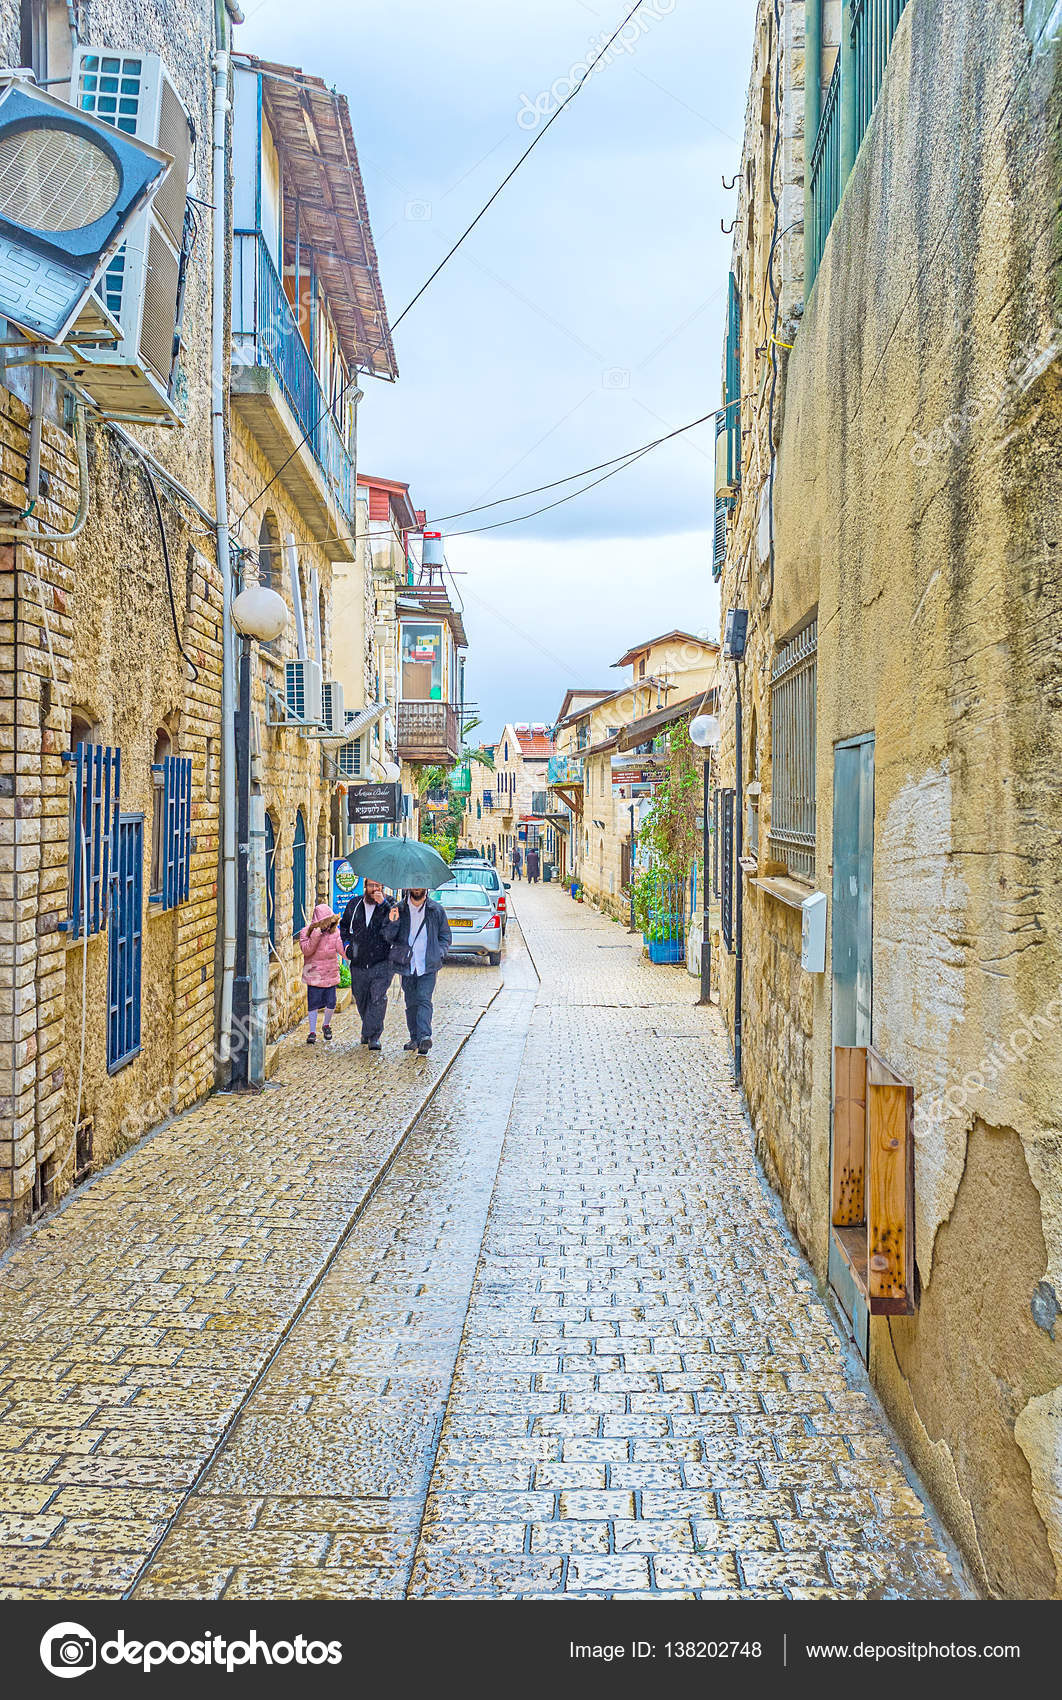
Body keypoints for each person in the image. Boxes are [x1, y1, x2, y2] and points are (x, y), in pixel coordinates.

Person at [339, 877, 400, 1050]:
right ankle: (367, 1029)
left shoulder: (391, 904)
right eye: (371, 886)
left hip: (383, 961)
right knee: (361, 997)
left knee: (378, 998)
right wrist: (347, 946)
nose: (375, 889)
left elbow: (397, 924)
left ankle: (374, 1036)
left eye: (378, 886)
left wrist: (384, 905)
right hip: (359, 961)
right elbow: (344, 928)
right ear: (365, 886)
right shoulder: (354, 904)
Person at [394, 886, 452, 1055]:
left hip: (428, 964)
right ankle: (414, 1038)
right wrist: (391, 921)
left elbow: (445, 936)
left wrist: (439, 953)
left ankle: (425, 1036)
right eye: (414, 884)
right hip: (407, 964)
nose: (417, 888)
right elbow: (390, 935)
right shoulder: (399, 909)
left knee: (424, 999)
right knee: (411, 1003)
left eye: (420, 884)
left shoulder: (436, 910)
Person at [298, 904, 345, 1044]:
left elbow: (341, 950)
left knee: (331, 1002)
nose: (327, 924)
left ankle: (326, 1025)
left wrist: (352, 954)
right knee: (313, 1003)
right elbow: (307, 951)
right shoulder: (306, 932)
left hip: (330, 974)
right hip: (314, 976)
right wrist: (315, 935)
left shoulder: (335, 933)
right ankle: (312, 1031)